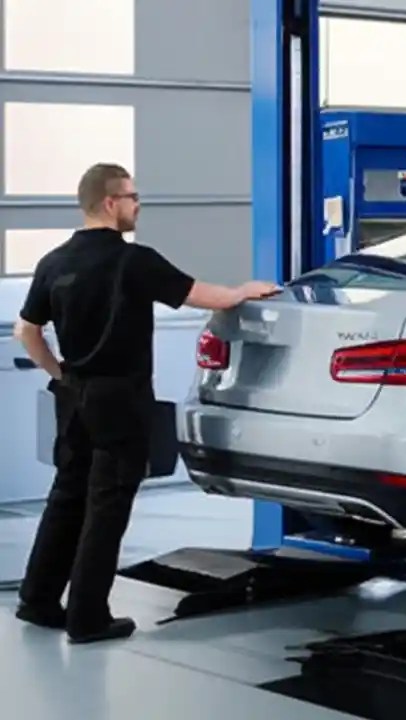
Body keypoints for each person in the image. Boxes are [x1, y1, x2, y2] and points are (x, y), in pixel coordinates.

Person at [11, 163, 281, 643]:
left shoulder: (54, 261)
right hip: (120, 399)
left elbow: (26, 331)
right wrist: (242, 291)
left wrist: (62, 375)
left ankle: (37, 600)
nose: (138, 206)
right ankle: (88, 617)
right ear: (111, 203)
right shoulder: (133, 261)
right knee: (107, 506)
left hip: (73, 397)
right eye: (133, 198)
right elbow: (201, 295)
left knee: (67, 497)